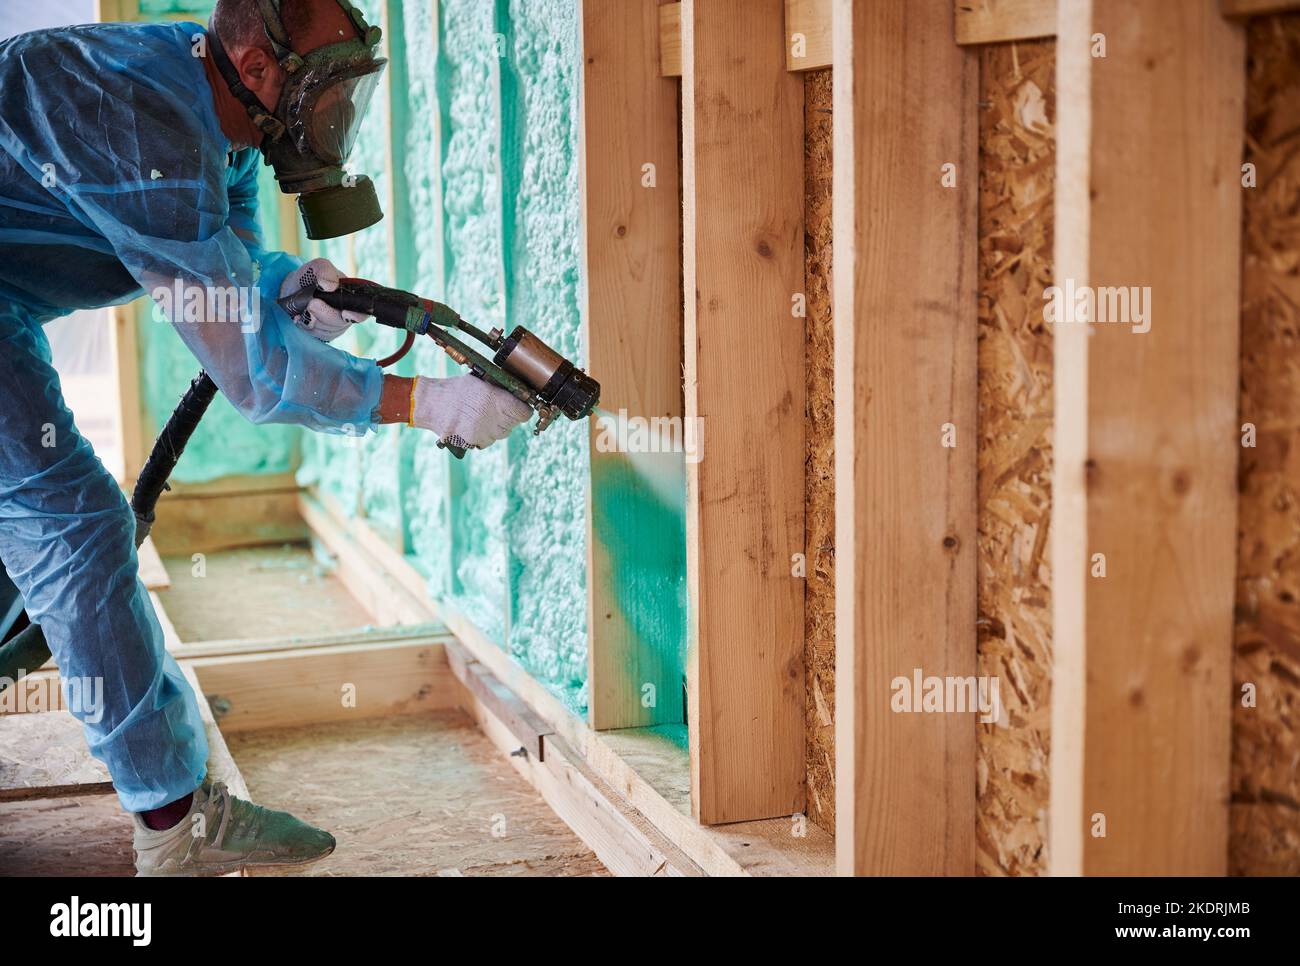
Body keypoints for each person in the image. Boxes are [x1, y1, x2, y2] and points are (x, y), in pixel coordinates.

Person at [0, 0, 529, 875]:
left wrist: (292, 285)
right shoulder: (148, 124)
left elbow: (234, 272)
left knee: (47, 527)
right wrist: (426, 403)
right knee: (72, 525)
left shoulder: (220, 109)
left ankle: (170, 800)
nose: (336, 120)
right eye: (326, 91)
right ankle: (174, 831)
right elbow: (255, 373)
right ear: (257, 67)